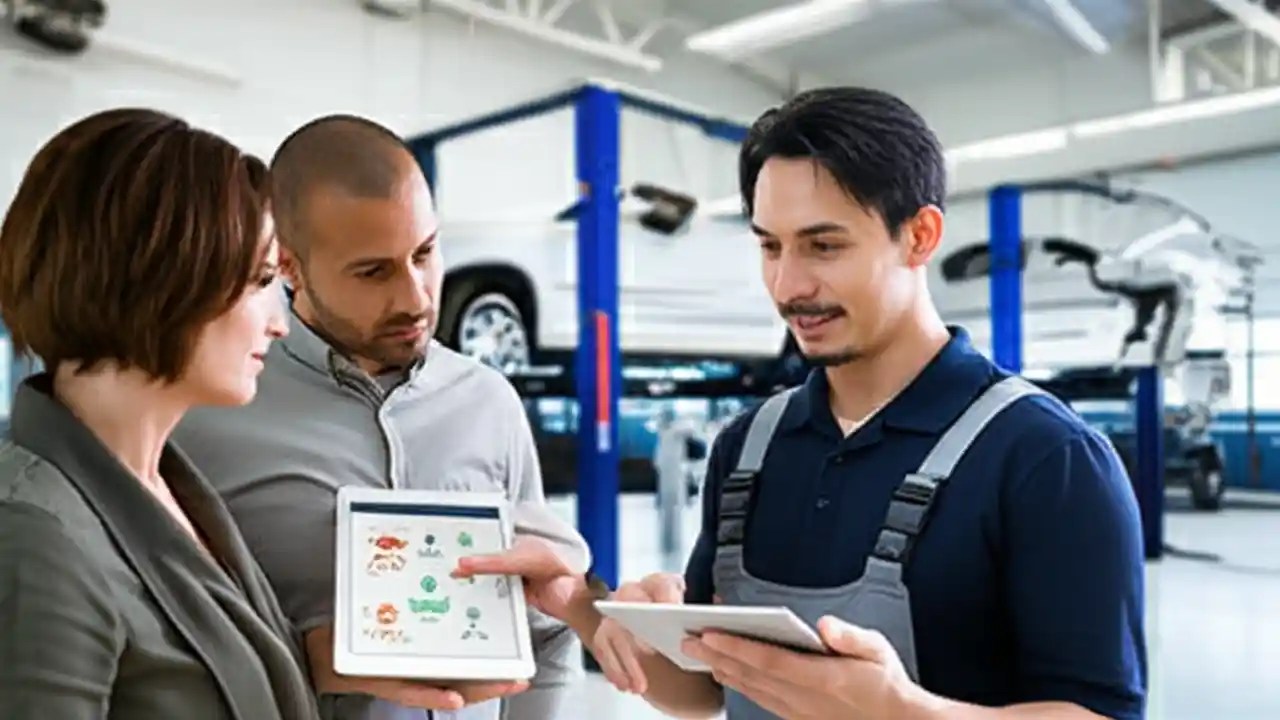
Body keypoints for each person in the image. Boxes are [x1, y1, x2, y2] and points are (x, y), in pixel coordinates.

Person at [453, 86, 1148, 720]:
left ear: (921, 235)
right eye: (769, 247)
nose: (788, 285)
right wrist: (583, 604)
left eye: (823, 245)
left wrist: (902, 713)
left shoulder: (1046, 460)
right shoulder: (749, 448)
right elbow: (702, 691)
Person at [171, 114, 590, 720]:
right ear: (288, 266)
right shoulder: (212, 415)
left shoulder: (490, 404)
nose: (416, 297)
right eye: (374, 271)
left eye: (425, 252)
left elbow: (543, 631)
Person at [0, 108, 319, 719]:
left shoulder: (165, 486)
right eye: (257, 280)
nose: (279, 323)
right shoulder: (35, 534)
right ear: (162, 273)